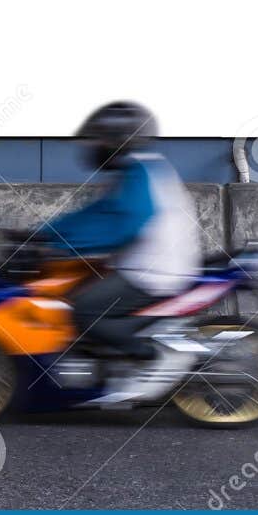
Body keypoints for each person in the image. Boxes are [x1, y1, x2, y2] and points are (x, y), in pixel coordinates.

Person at [36, 101, 202, 393]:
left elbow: (123, 227)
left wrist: (65, 247)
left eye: (100, 139)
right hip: (138, 263)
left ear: (118, 141)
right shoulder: (136, 169)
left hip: (152, 271)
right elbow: (95, 214)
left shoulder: (140, 174)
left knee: (84, 311)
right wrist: (40, 235)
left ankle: (150, 356)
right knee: (64, 290)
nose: (94, 146)